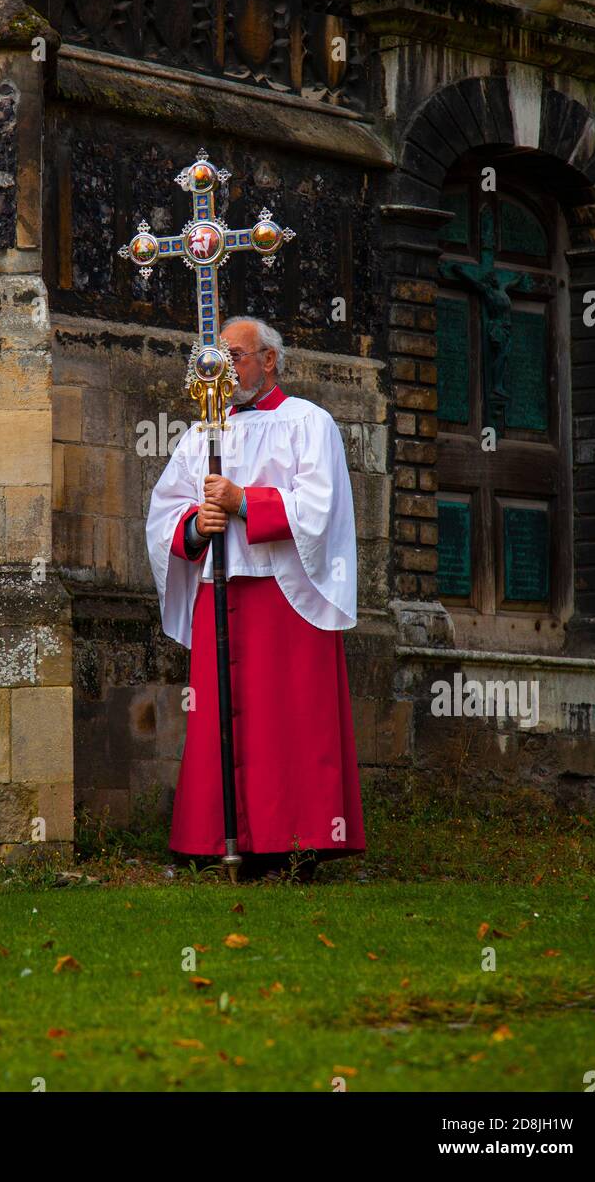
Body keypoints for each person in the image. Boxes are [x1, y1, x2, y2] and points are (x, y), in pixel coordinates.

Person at [145, 316, 365, 880]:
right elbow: (164, 512)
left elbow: (321, 509)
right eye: (216, 358)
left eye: (236, 356)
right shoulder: (201, 435)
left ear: (269, 360)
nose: (224, 368)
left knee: (288, 722)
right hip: (220, 592)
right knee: (221, 718)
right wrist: (198, 525)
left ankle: (295, 843)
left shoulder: (309, 424)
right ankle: (215, 840)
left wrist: (245, 501)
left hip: (288, 599)